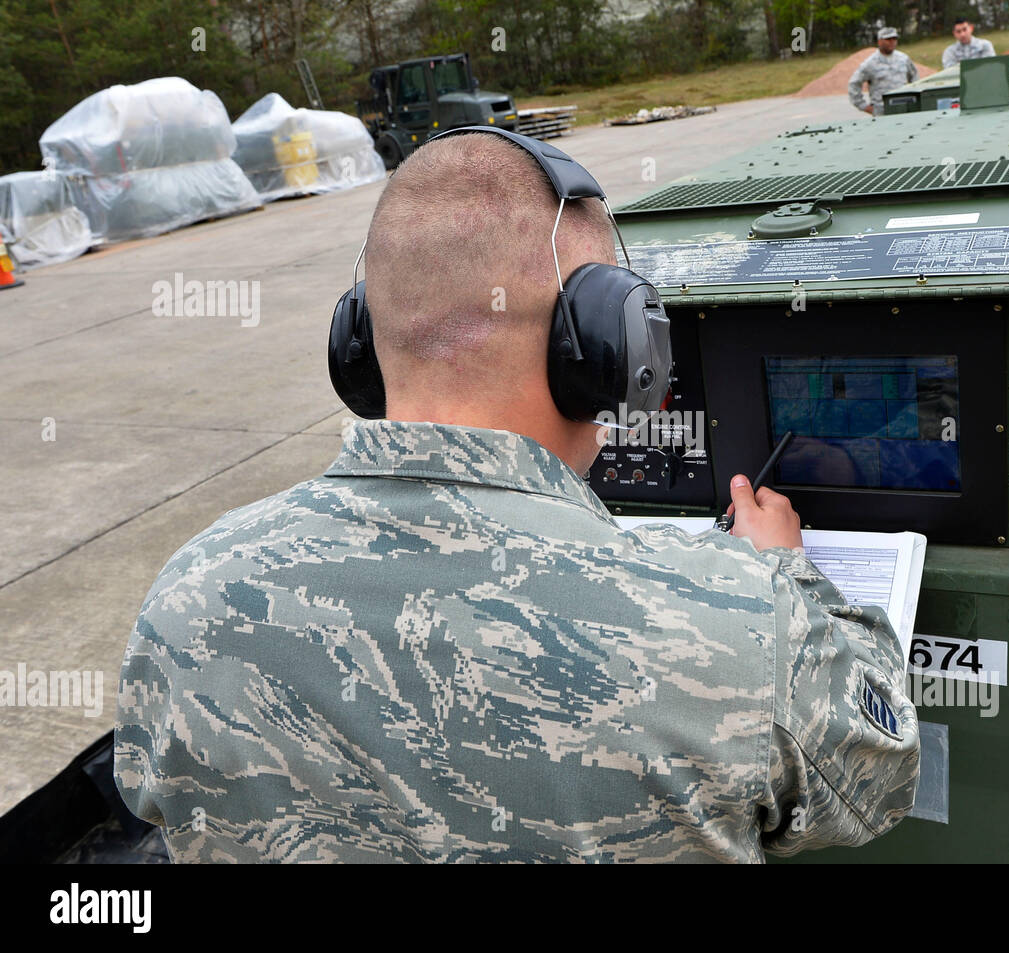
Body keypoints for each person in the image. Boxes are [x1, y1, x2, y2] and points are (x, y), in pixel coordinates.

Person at [114, 131, 920, 863]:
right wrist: (784, 575)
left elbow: (154, 799)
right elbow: (878, 772)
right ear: (609, 346)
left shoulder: (187, 597)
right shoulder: (738, 624)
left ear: (359, 341)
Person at [848, 27, 919, 116]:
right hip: (883, 111)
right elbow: (854, 83)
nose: (892, 42)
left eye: (894, 39)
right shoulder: (870, 63)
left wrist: (915, 98)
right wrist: (863, 106)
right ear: (879, 41)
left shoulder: (903, 59)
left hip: (905, 109)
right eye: (888, 39)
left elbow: (915, 77)